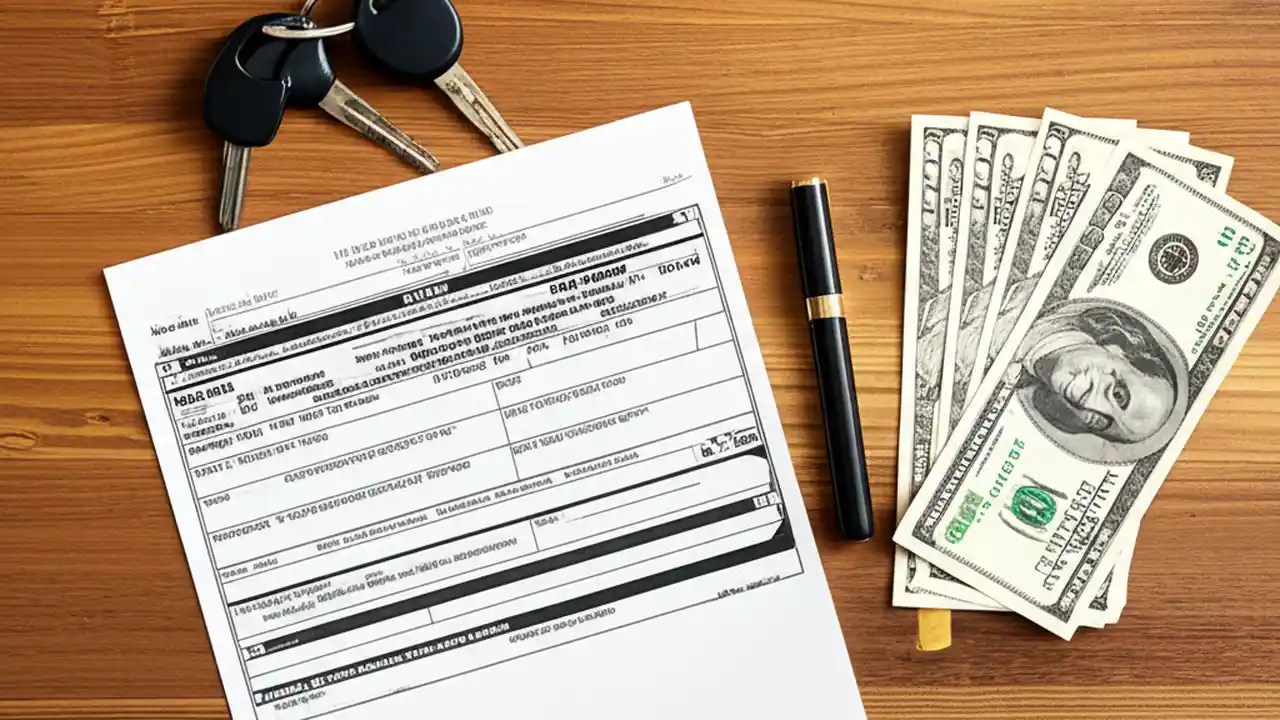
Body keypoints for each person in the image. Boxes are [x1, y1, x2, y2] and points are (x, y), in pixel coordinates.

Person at [1009, 303, 1184, 456]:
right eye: (1118, 395)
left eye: (1101, 423)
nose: (1090, 404)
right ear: (1121, 347)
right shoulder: (1037, 305)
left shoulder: (1012, 380)